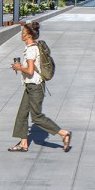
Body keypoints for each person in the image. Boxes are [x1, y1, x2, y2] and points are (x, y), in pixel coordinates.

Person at [8, 20, 71, 152]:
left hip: (35, 87)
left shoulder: (31, 50)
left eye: (23, 32)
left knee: (36, 117)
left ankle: (63, 133)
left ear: (29, 35)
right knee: (22, 114)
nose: (21, 33)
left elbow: (30, 71)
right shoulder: (34, 46)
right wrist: (21, 23)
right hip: (30, 86)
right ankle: (23, 144)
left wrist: (19, 68)